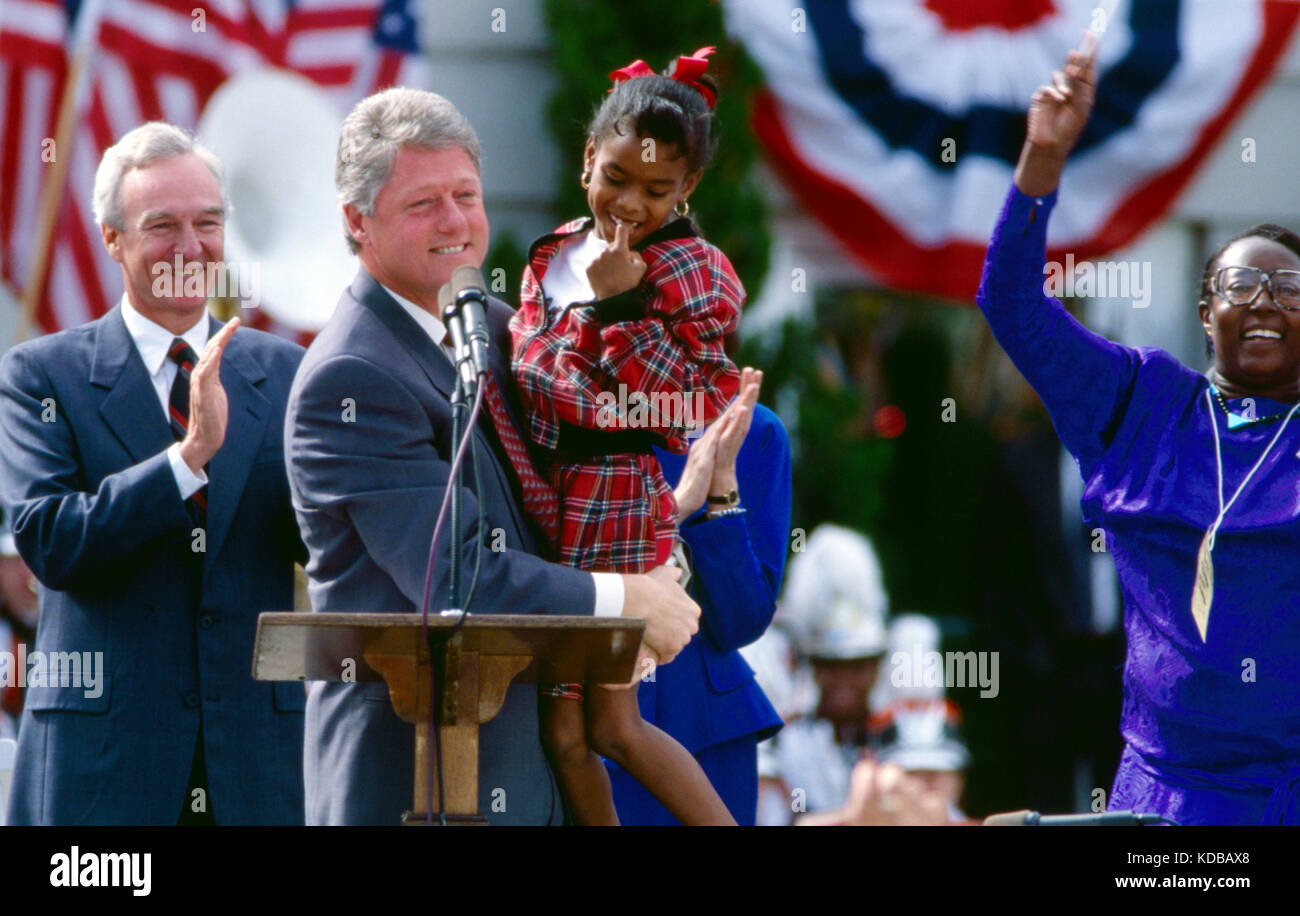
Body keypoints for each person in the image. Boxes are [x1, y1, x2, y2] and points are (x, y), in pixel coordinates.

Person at [285, 87, 701, 826]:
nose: (455, 222)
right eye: (423, 204)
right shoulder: (348, 378)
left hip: (527, 778)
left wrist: (653, 558)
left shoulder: (499, 326)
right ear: (358, 221)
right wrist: (624, 602)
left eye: (466, 195)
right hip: (415, 786)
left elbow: (582, 481)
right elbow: (457, 577)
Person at [977, 38, 1300, 825]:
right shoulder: (1140, 402)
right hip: (1164, 794)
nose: (1263, 298)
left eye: (1288, 285)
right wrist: (1042, 158)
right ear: (1203, 312)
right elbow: (1013, 305)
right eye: (1239, 283)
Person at [0, 122, 307, 825]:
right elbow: (50, 541)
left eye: (208, 222)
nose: (190, 247)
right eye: (162, 225)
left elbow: (317, 539)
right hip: (105, 768)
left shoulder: (284, 372)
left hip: (255, 765)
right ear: (113, 240)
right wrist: (187, 458)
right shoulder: (42, 374)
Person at [508, 47, 743, 825]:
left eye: (656, 190)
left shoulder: (693, 271)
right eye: (616, 178)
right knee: (562, 733)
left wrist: (615, 312)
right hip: (541, 503)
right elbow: (527, 363)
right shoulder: (551, 253)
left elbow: (685, 401)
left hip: (612, 508)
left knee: (614, 725)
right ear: (587, 160)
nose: (630, 205)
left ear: (688, 189)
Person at [605, 369, 791, 824]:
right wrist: (681, 503)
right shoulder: (579, 409)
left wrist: (722, 491)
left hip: (706, 725)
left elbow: (742, 621)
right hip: (590, 709)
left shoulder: (754, 428)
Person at [748, 523, 890, 825]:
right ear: (812, 666)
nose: (843, 679)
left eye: (857, 666)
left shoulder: (898, 734)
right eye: (829, 665)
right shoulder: (784, 742)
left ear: (877, 666)